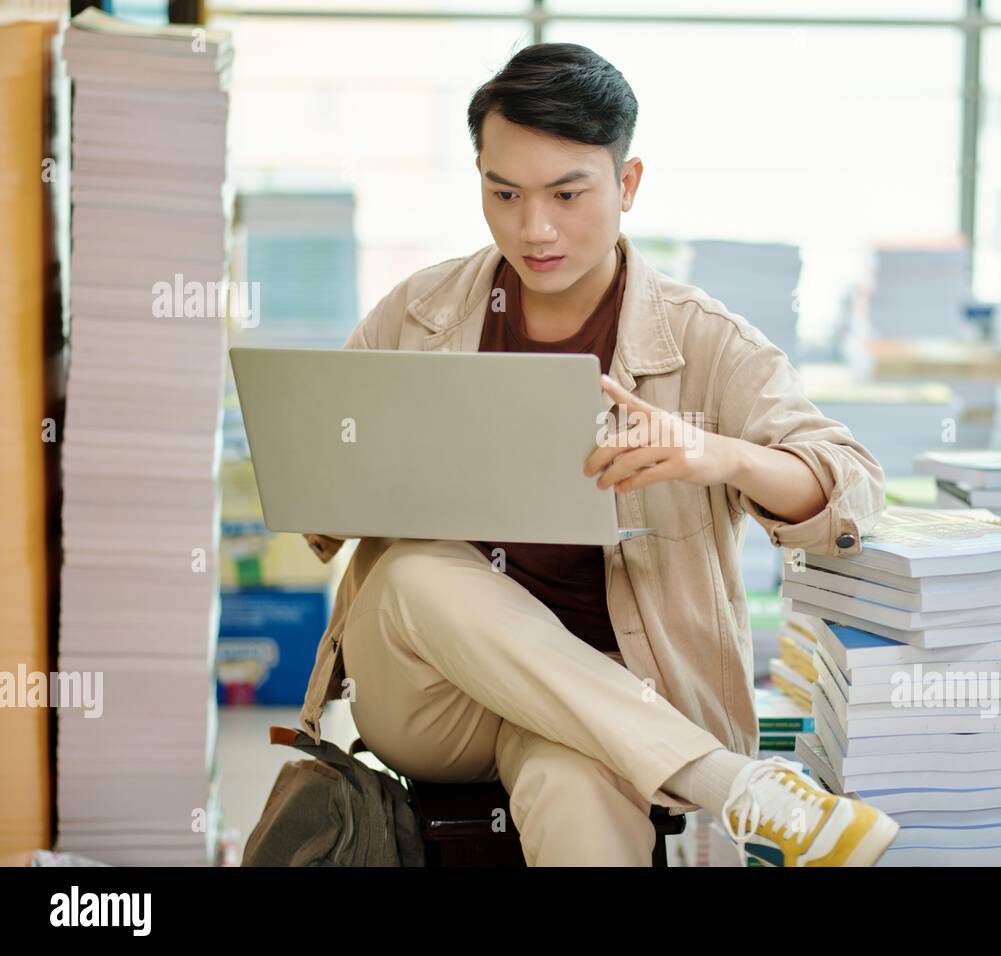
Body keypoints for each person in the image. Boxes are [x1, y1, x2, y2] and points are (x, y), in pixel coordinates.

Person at [296, 42, 897, 867]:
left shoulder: (701, 338)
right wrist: (352, 474)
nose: (532, 228)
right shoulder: (423, 311)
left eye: (566, 194)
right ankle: (735, 786)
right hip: (432, 695)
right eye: (502, 193)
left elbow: (851, 488)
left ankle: (730, 784)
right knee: (413, 572)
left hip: (616, 697)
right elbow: (320, 498)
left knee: (582, 784)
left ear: (629, 184)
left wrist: (718, 456)